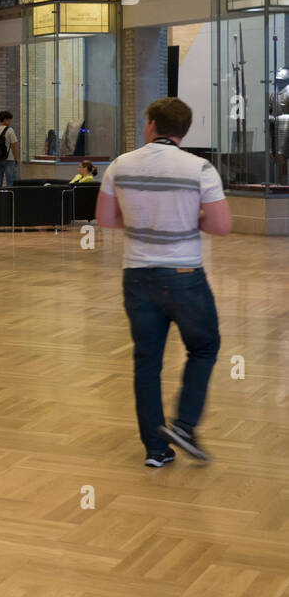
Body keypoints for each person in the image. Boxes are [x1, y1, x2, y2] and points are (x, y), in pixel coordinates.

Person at [96, 97, 230, 468]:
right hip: (185, 275)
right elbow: (221, 226)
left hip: (137, 275)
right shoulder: (199, 168)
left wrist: (143, 224)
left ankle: (156, 450)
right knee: (204, 347)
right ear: (182, 131)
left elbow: (105, 220)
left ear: (152, 124)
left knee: (147, 361)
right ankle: (184, 425)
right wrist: (186, 223)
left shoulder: (120, 165)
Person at [0, 111, 19, 187]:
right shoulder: (9, 130)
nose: (9, 122)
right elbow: (13, 146)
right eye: (9, 120)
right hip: (9, 159)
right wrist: (16, 158)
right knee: (10, 182)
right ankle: (10, 198)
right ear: (5, 120)